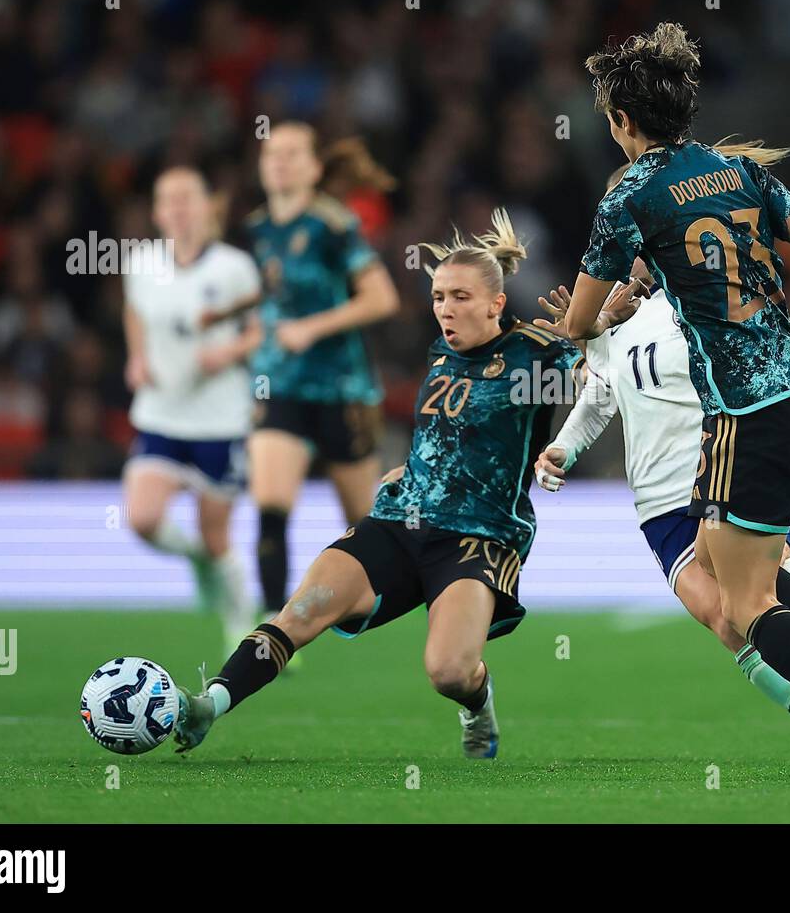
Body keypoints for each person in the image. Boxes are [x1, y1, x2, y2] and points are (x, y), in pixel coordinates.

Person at [562, 23, 790, 781]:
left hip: (745, 412)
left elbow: (575, 325)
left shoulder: (627, 195)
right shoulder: (740, 173)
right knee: (752, 586)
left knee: (746, 610)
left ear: (622, 121)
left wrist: (611, 314)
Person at [171, 210, 603, 759]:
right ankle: (210, 704)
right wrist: (411, 469)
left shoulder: (534, 353)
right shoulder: (441, 353)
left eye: (461, 297)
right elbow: (445, 432)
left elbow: (600, 384)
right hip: (399, 522)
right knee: (299, 615)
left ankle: (478, 702)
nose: (446, 308)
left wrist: (585, 376)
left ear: (496, 303)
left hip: (480, 537)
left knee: (448, 672)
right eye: (439, 296)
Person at [239, 122, 401, 622]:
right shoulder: (257, 229)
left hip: (339, 387)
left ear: (313, 168)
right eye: (272, 153)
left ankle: (379, 602)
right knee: (270, 506)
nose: (280, 161)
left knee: (363, 521)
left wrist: (312, 327)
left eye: (292, 154)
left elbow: (382, 298)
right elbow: (267, 300)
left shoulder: (334, 225)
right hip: (279, 384)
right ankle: (270, 625)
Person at [122, 166, 261, 645]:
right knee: (141, 519)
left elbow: (261, 329)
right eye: (169, 199)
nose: (179, 208)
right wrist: (138, 358)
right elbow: (134, 312)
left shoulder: (234, 268)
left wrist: (228, 352)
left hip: (219, 419)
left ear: (206, 207)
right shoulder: (142, 263)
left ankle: (241, 630)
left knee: (216, 533)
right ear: (158, 211)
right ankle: (197, 560)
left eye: (188, 198)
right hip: (161, 413)